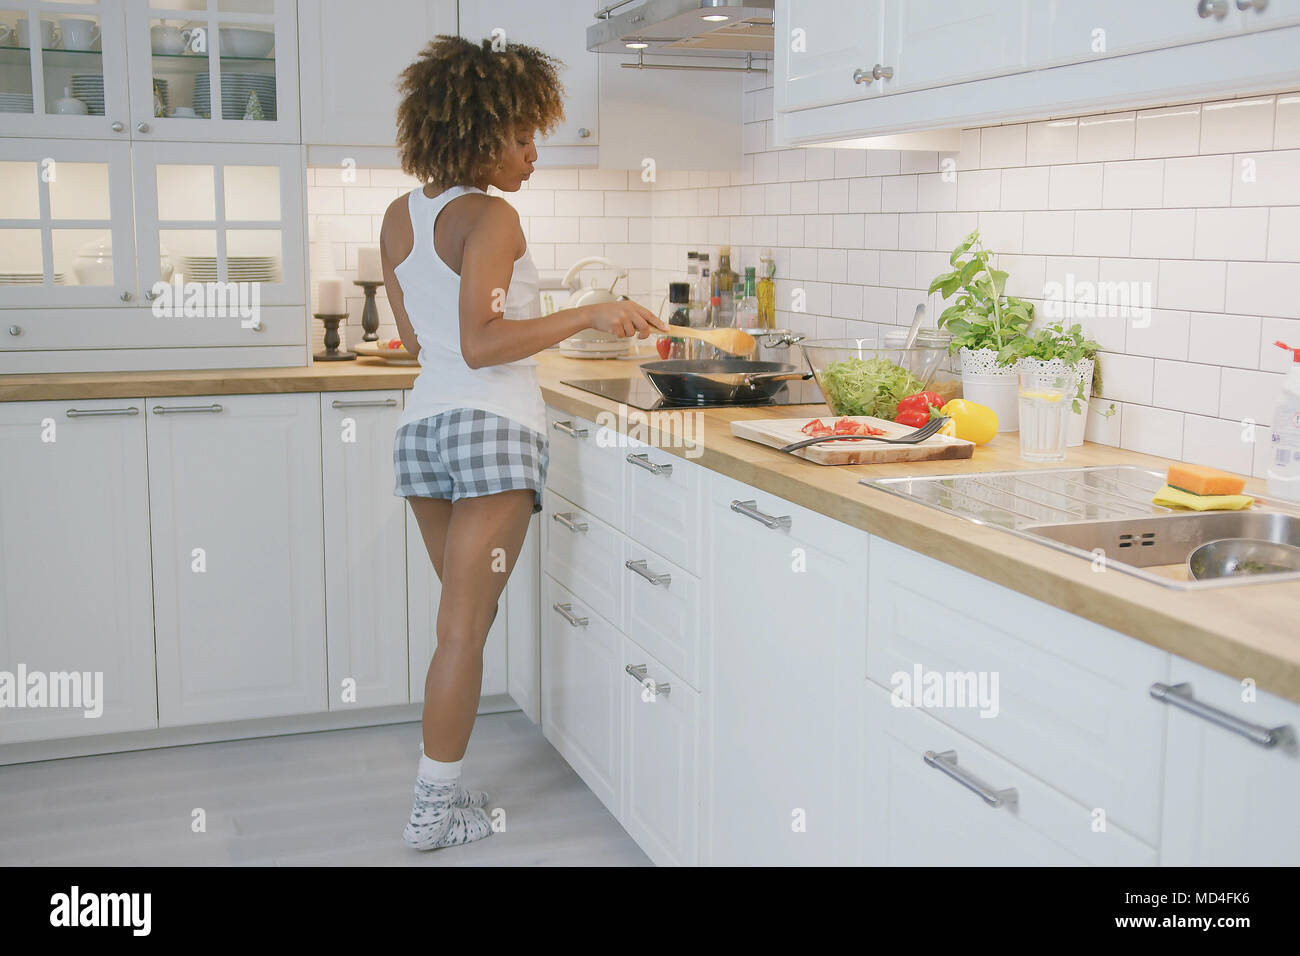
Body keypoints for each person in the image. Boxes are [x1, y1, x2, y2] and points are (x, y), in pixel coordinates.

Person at [381, 34, 663, 850]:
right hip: (491, 432)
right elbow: (483, 343)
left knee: (460, 623)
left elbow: (419, 340)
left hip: (424, 433)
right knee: (465, 630)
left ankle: (444, 797)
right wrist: (587, 309)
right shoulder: (494, 215)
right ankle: (430, 817)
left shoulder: (400, 215)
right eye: (521, 136)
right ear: (476, 133)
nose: (534, 152)